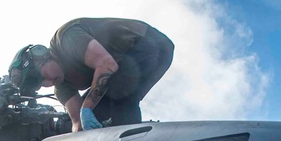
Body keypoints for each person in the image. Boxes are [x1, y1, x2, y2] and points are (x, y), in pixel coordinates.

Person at [9, 17, 174, 132]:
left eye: (41, 76)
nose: (47, 83)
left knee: (118, 93)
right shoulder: (62, 87)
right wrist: (78, 134)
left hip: (149, 44)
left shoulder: (66, 39)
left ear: (42, 56)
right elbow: (78, 122)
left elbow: (107, 64)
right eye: (40, 84)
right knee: (95, 113)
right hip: (135, 64)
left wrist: (86, 109)